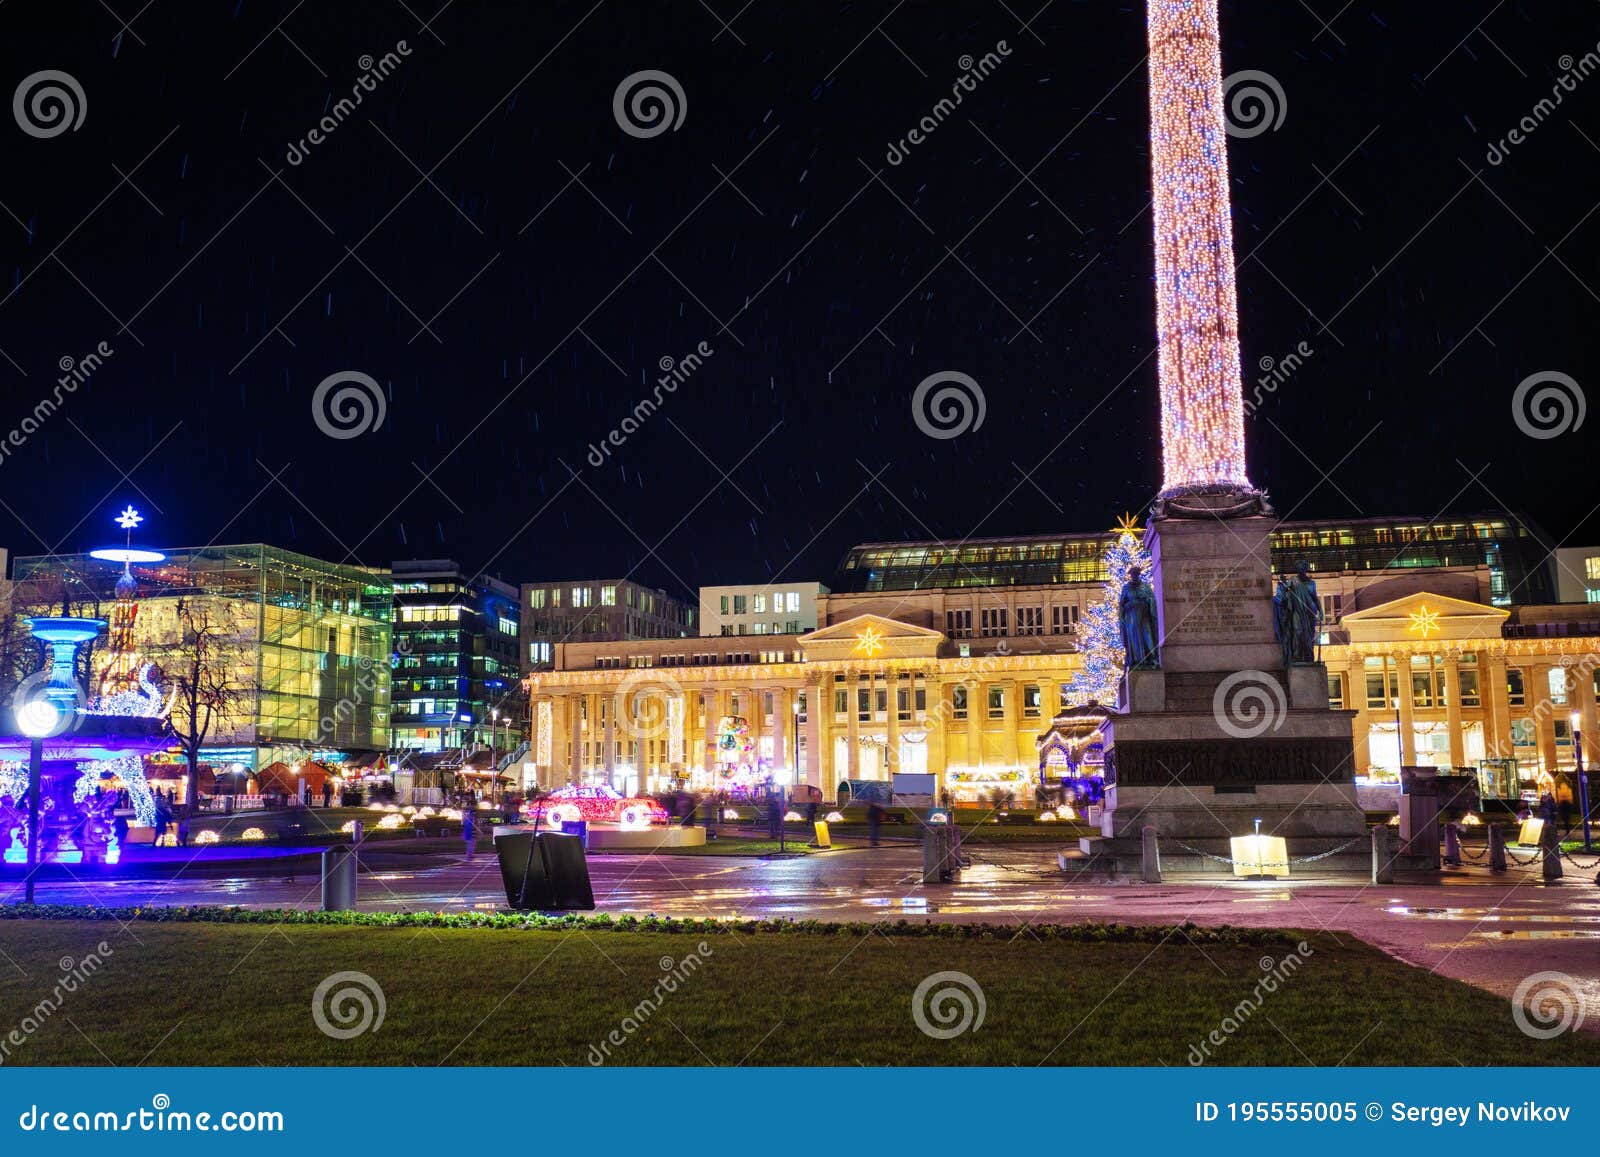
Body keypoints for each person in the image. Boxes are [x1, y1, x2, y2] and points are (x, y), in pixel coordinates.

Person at [1119, 564, 1159, 669]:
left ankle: (1151, 659)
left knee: (1148, 636)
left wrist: (1148, 604)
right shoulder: (1126, 588)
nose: (1135, 576)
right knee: (1134, 639)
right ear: (1130, 575)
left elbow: (1151, 600)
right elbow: (1122, 604)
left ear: (1139, 574)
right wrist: (1126, 609)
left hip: (1144, 616)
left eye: (1136, 574)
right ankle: (1136, 660)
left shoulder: (1145, 587)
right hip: (1131, 618)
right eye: (1133, 574)